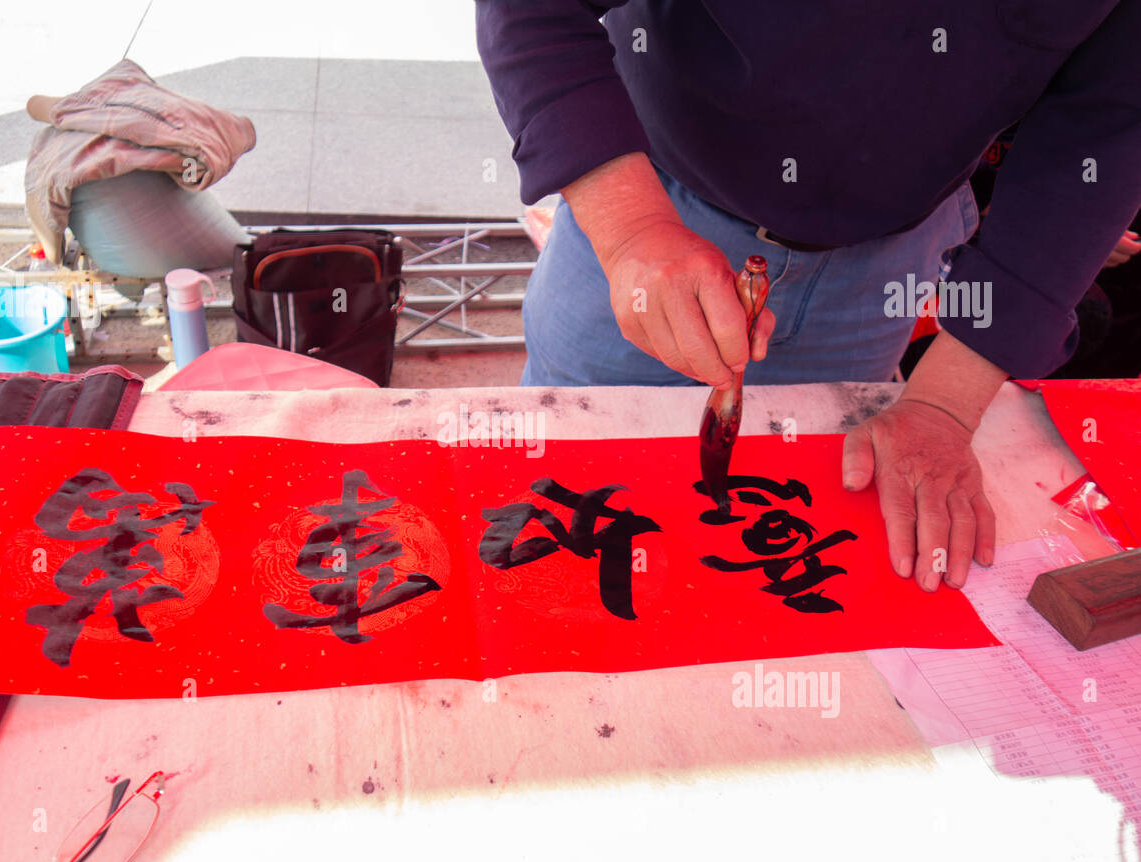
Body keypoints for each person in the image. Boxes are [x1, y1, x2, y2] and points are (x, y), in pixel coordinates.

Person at [476, 1, 1141, 592]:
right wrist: (631, 231)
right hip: (657, 210)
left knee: (810, 536)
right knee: (569, 537)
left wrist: (944, 403)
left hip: (894, 256)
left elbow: (1114, 120)